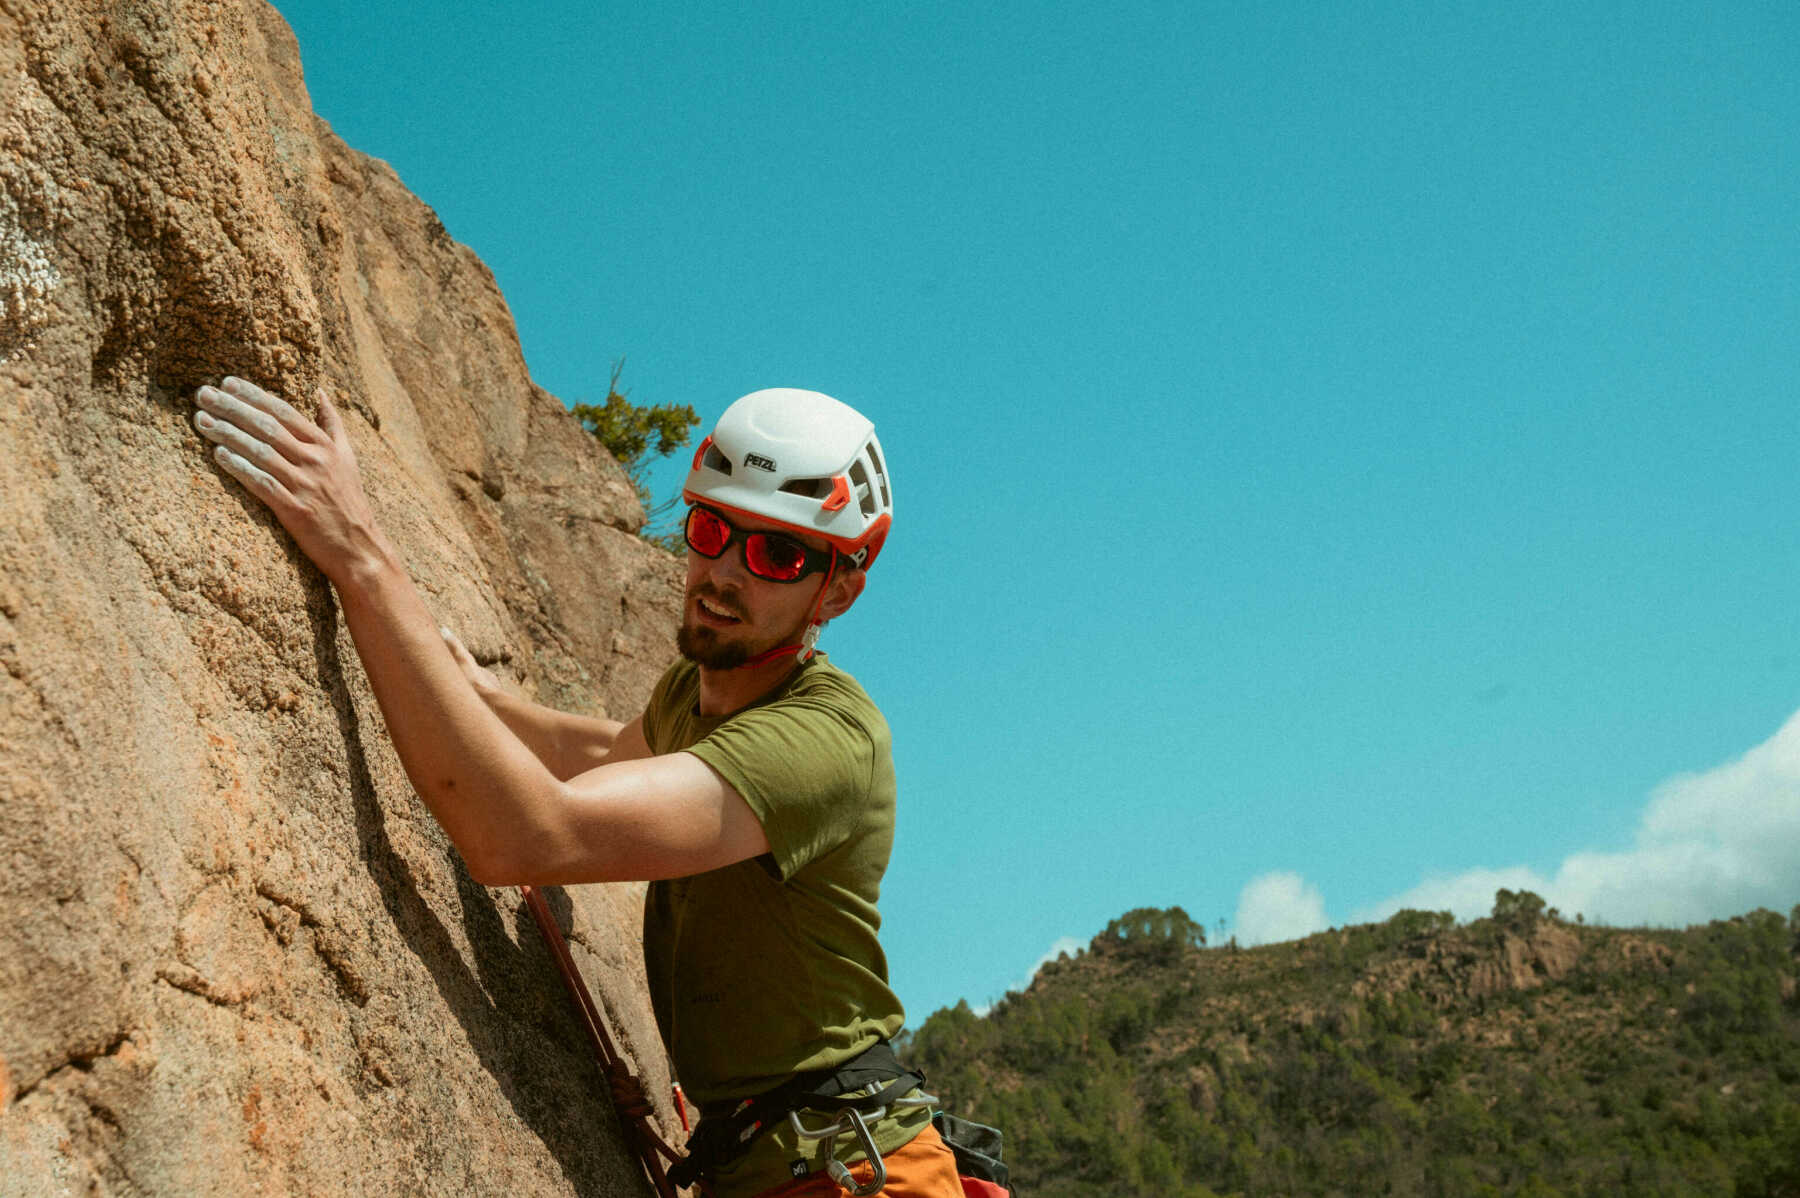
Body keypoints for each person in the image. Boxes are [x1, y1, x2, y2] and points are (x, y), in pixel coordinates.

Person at [190, 378, 962, 1197]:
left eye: (777, 553)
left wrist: (361, 556)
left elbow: (524, 837)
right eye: (710, 529)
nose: (724, 573)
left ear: (838, 588)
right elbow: (604, 757)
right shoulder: (690, 691)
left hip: (851, 1172)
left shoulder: (824, 740)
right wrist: (482, 697)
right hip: (770, 1162)